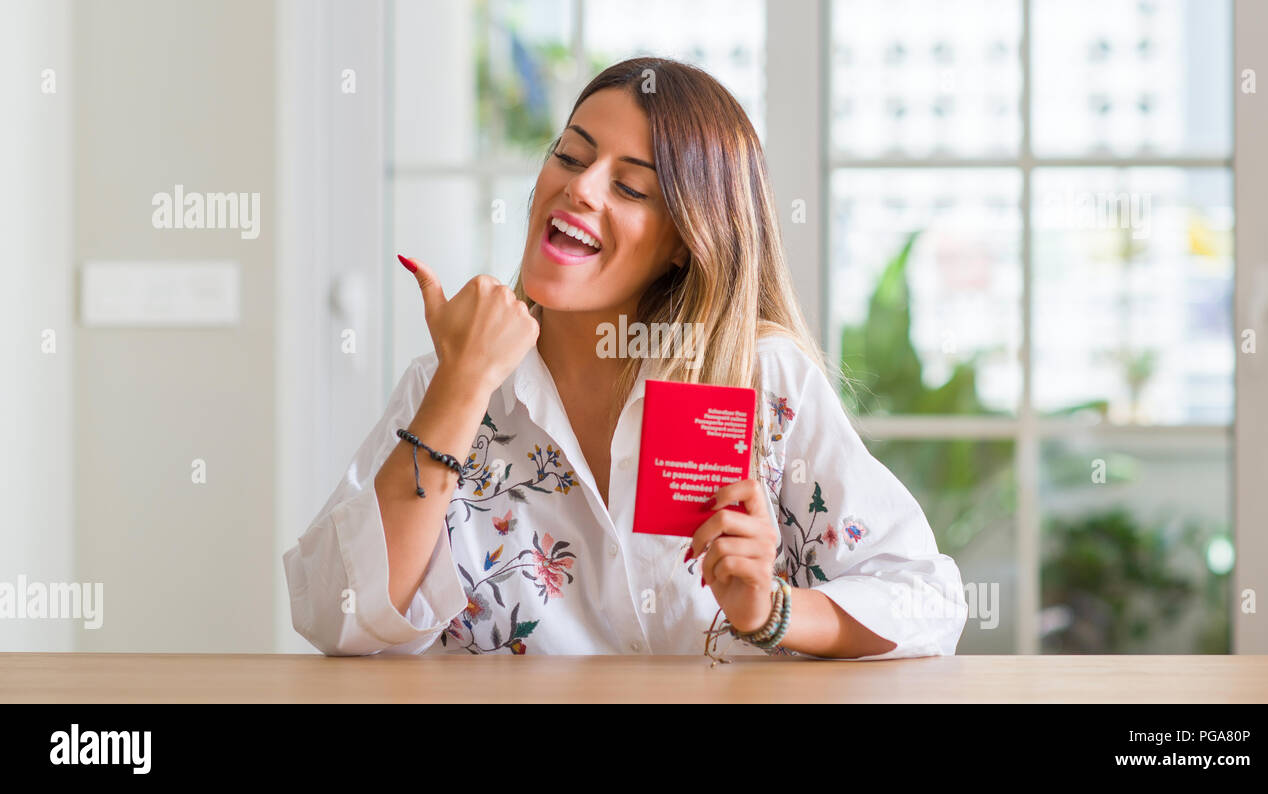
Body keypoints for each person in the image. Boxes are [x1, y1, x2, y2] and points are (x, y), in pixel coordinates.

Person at [283, 57, 967, 659]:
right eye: (571, 158)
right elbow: (336, 617)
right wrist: (462, 386)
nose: (580, 189)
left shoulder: (759, 378)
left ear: (684, 240)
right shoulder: (448, 382)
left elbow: (925, 598)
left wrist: (771, 612)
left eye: (631, 188)